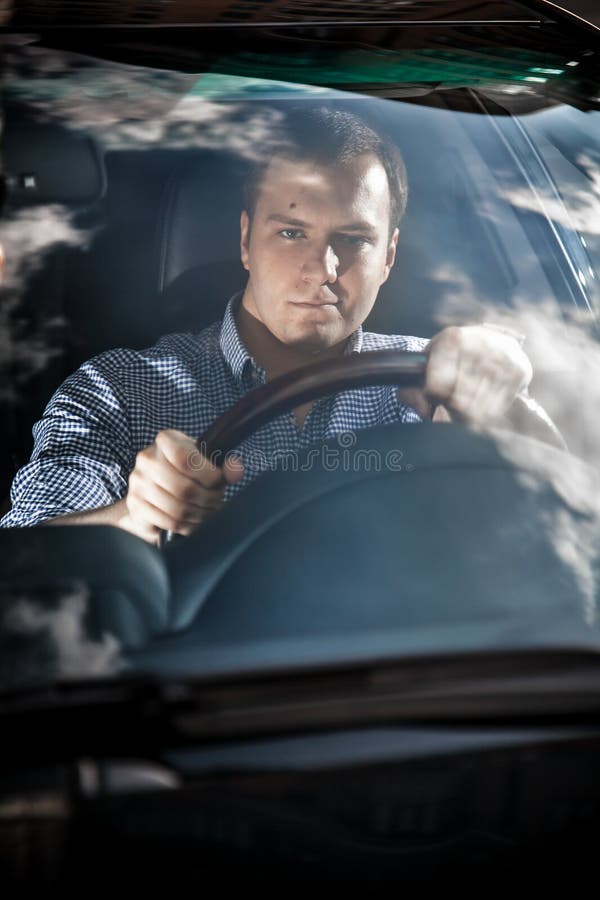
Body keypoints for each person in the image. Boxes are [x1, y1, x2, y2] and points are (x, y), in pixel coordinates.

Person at [0, 106, 533, 544]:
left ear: (388, 256)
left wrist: (511, 386)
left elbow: (564, 519)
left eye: (354, 239)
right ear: (245, 241)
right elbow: (23, 560)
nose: (322, 269)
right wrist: (132, 520)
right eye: (292, 233)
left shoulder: (438, 381)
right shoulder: (120, 391)